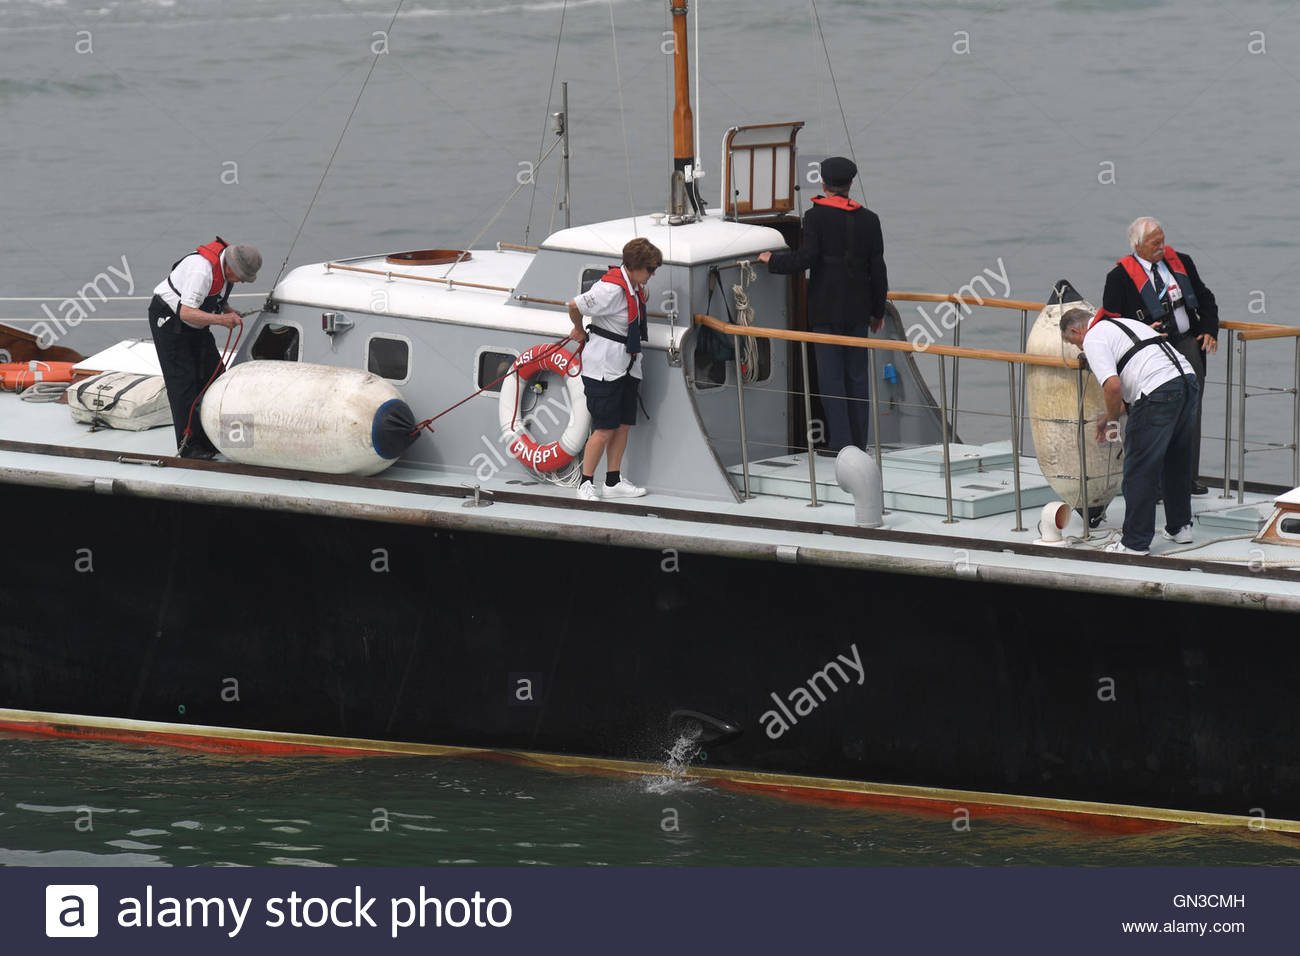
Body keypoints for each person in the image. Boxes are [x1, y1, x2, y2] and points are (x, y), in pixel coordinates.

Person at [758, 155, 887, 451]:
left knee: (832, 381)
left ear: (824, 184)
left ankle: (842, 447)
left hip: (825, 310)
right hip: (858, 311)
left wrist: (772, 260)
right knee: (857, 379)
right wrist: (877, 311)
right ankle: (860, 443)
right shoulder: (870, 220)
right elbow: (878, 270)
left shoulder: (815, 217)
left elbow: (805, 259)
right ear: (851, 183)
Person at [1059, 307, 1199, 555]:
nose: (1080, 349)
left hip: (1158, 390)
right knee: (1176, 459)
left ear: (1075, 330)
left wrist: (1112, 423)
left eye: (1074, 343)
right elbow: (1132, 375)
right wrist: (1109, 416)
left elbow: (1112, 386)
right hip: (1186, 381)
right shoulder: (1123, 323)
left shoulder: (1093, 337)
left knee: (1139, 469)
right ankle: (1180, 528)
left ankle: (1134, 542)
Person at [1102, 217, 1218, 494]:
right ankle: (1151, 485)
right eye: (1155, 243)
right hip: (1149, 353)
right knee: (1152, 414)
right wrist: (1142, 329)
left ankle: (1186, 479)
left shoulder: (1182, 262)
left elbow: (1205, 298)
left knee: (1191, 410)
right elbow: (1112, 322)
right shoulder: (1118, 278)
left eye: (1163, 240)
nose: (1162, 246)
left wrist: (1209, 330)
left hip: (1187, 344)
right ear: (1137, 245)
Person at [567, 237, 663, 501]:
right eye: (650, 269)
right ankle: (585, 483)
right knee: (604, 429)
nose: (652, 275)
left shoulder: (634, 287)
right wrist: (578, 329)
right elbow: (575, 305)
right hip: (603, 368)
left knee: (622, 426)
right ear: (634, 266)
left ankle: (612, 481)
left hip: (627, 366)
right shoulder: (610, 289)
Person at [148, 238, 260, 460]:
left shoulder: (224, 271)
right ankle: (190, 448)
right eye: (242, 277)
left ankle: (223, 440)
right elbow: (186, 312)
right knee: (184, 384)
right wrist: (221, 320)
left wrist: (228, 310)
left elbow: (214, 298)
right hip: (170, 321)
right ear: (230, 267)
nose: (243, 282)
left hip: (195, 325)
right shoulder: (202, 272)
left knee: (217, 379)